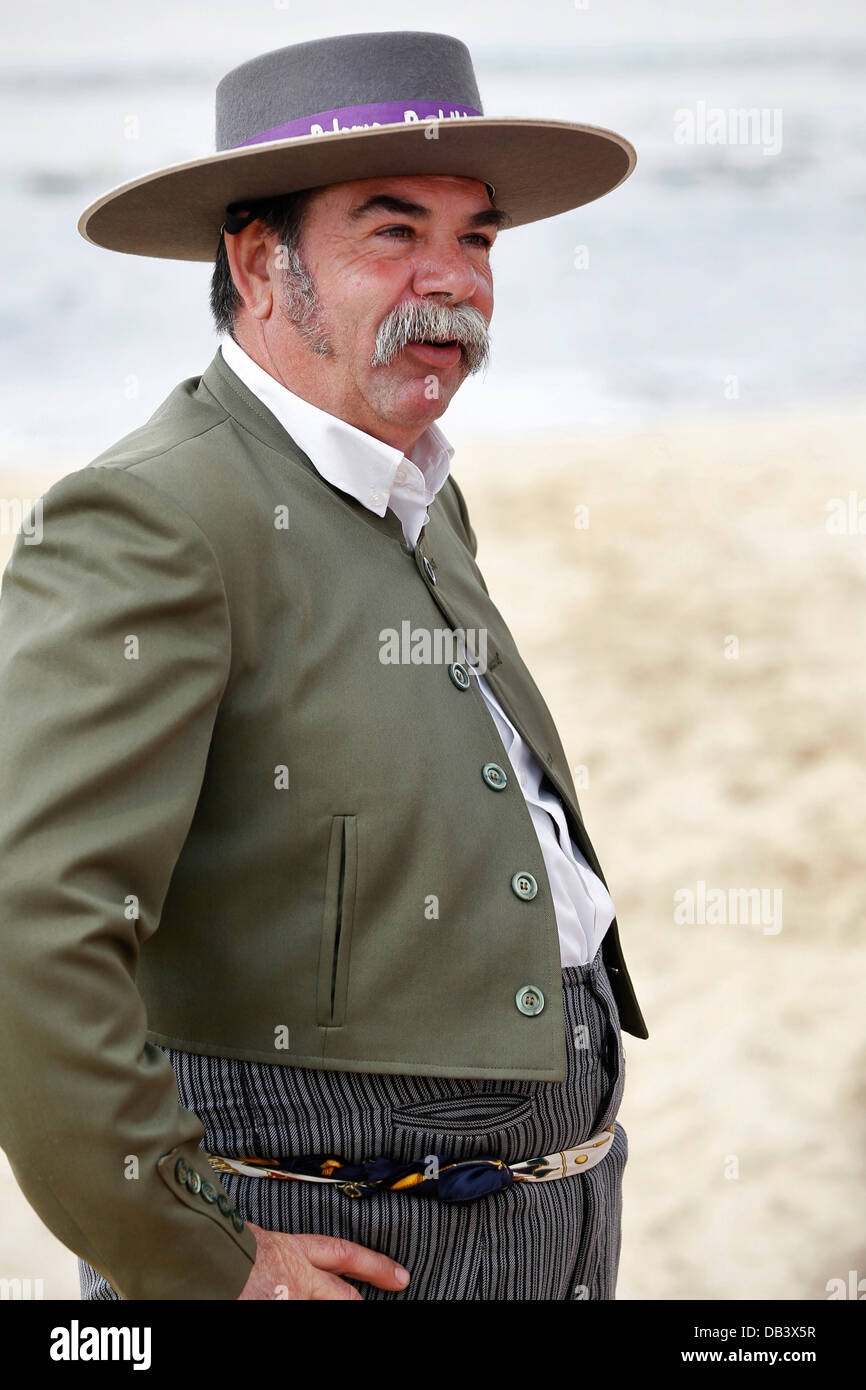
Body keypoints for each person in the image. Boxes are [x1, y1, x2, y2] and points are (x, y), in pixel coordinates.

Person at [0, 29, 648, 1301]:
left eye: (476, 239)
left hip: (543, 1241)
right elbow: (30, 923)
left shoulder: (419, 492)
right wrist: (201, 1262)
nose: (450, 281)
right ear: (258, 262)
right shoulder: (153, 516)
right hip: (328, 1261)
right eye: (392, 231)